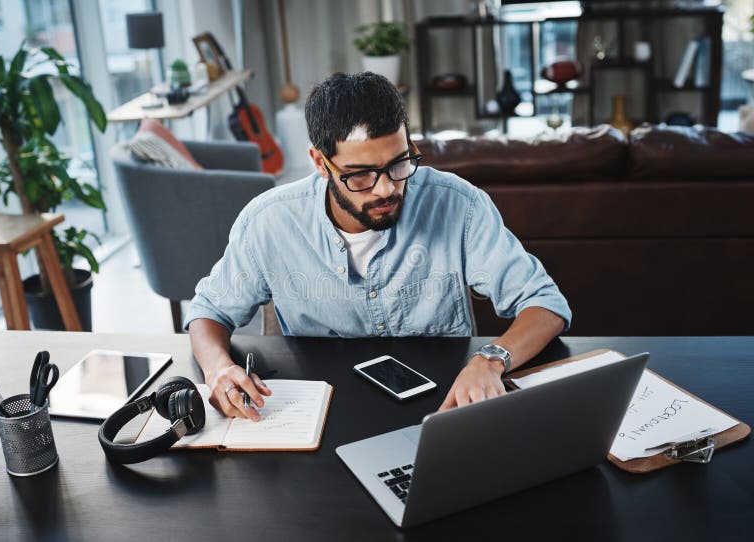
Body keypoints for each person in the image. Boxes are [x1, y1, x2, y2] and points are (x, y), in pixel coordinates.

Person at [185, 72, 571, 422]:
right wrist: (218, 367)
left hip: (441, 413)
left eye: (399, 164)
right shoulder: (268, 221)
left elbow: (545, 304)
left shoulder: (458, 204)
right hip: (316, 418)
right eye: (362, 175)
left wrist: (491, 359)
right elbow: (209, 311)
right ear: (321, 163)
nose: (387, 188)